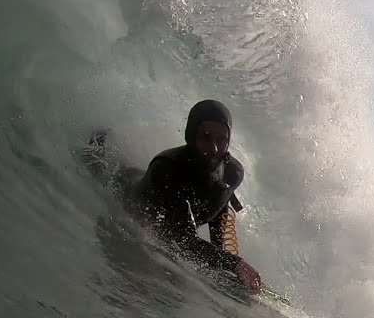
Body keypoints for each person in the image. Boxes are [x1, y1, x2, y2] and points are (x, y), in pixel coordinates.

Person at [87, 100, 264, 295]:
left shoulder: (232, 173)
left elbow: (219, 205)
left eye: (221, 139)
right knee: (98, 164)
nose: (214, 148)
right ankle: (98, 141)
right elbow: (181, 239)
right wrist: (234, 263)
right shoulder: (167, 168)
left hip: (169, 212)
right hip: (126, 188)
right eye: (205, 137)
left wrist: (221, 261)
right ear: (191, 136)